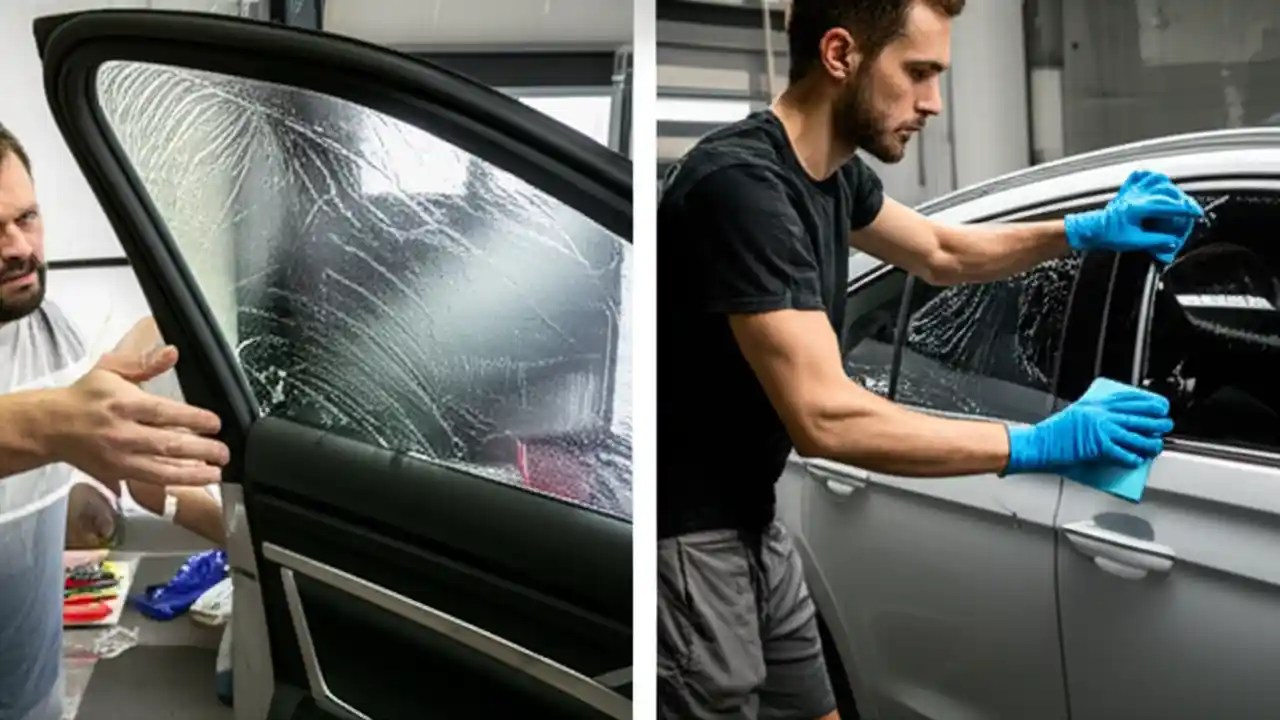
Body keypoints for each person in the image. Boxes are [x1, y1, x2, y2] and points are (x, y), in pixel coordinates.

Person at [655, 1, 1204, 718]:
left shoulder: (832, 176)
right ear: (840, 55)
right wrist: (1035, 445)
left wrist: (1084, 230)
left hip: (754, 520)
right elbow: (825, 418)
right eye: (918, 72)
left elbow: (942, 253)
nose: (934, 102)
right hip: (688, 536)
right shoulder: (742, 188)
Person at [0, 123, 229, 720]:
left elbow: (139, 473)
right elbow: (53, 423)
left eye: (26, 218)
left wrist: (247, 537)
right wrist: (53, 421)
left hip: (32, 695)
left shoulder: (51, 328)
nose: (18, 247)